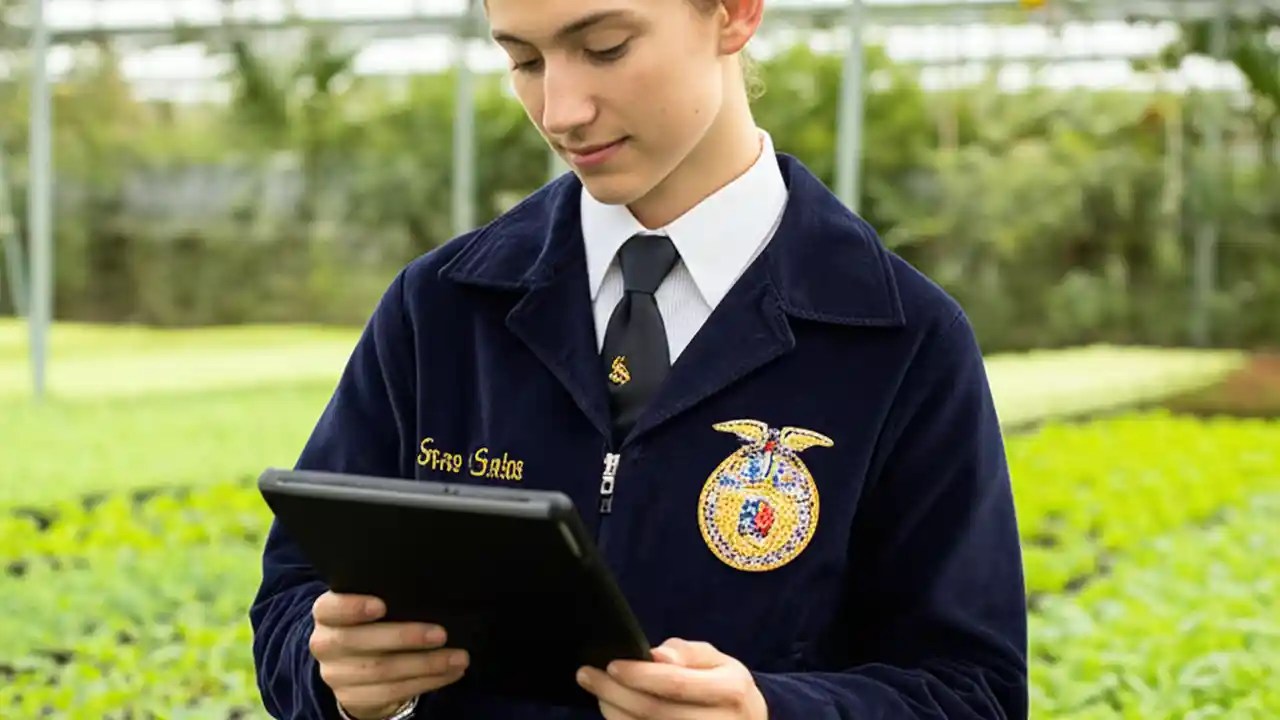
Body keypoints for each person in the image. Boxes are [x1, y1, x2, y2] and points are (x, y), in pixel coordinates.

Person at [249, 0, 1029, 717]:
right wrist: (336, 677)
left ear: (735, 13)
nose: (561, 112)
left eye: (605, 47)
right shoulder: (440, 310)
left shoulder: (901, 343)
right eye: (524, 61)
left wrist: (773, 710)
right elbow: (293, 599)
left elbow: (973, 690)